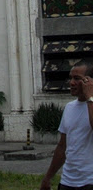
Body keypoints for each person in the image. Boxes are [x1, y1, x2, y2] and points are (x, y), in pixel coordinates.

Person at [40, 61, 93, 189]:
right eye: (70, 78)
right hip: (68, 182)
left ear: (89, 81)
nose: (72, 83)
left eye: (77, 79)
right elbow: (62, 146)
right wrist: (48, 177)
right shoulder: (69, 108)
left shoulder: (91, 104)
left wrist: (90, 98)